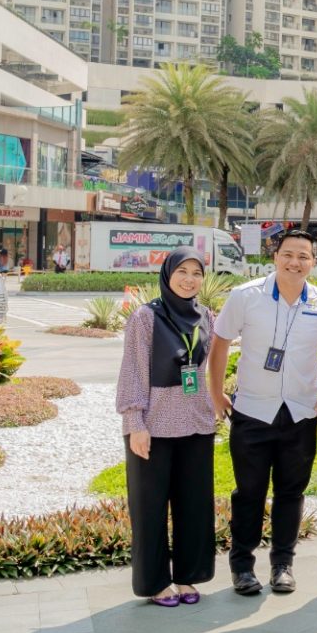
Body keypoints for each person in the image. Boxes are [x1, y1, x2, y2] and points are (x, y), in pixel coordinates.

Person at [208, 229, 317, 597]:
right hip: (252, 411)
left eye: (303, 256)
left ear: (314, 263)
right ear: (275, 256)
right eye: (288, 254)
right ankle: (242, 567)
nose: (295, 262)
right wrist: (216, 392)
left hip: (299, 414)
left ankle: (283, 564)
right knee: (248, 493)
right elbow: (220, 342)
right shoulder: (246, 296)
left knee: (290, 493)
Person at [115, 248, 218, 606]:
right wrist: (134, 422)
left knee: (194, 504)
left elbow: (208, 368)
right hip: (154, 426)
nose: (190, 279)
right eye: (182, 271)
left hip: (196, 424)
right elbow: (132, 370)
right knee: (149, 506)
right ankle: (155, 582)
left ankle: (189, 575)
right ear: (168, 274)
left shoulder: (207, 316)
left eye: (197, 273)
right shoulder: (146, 317)